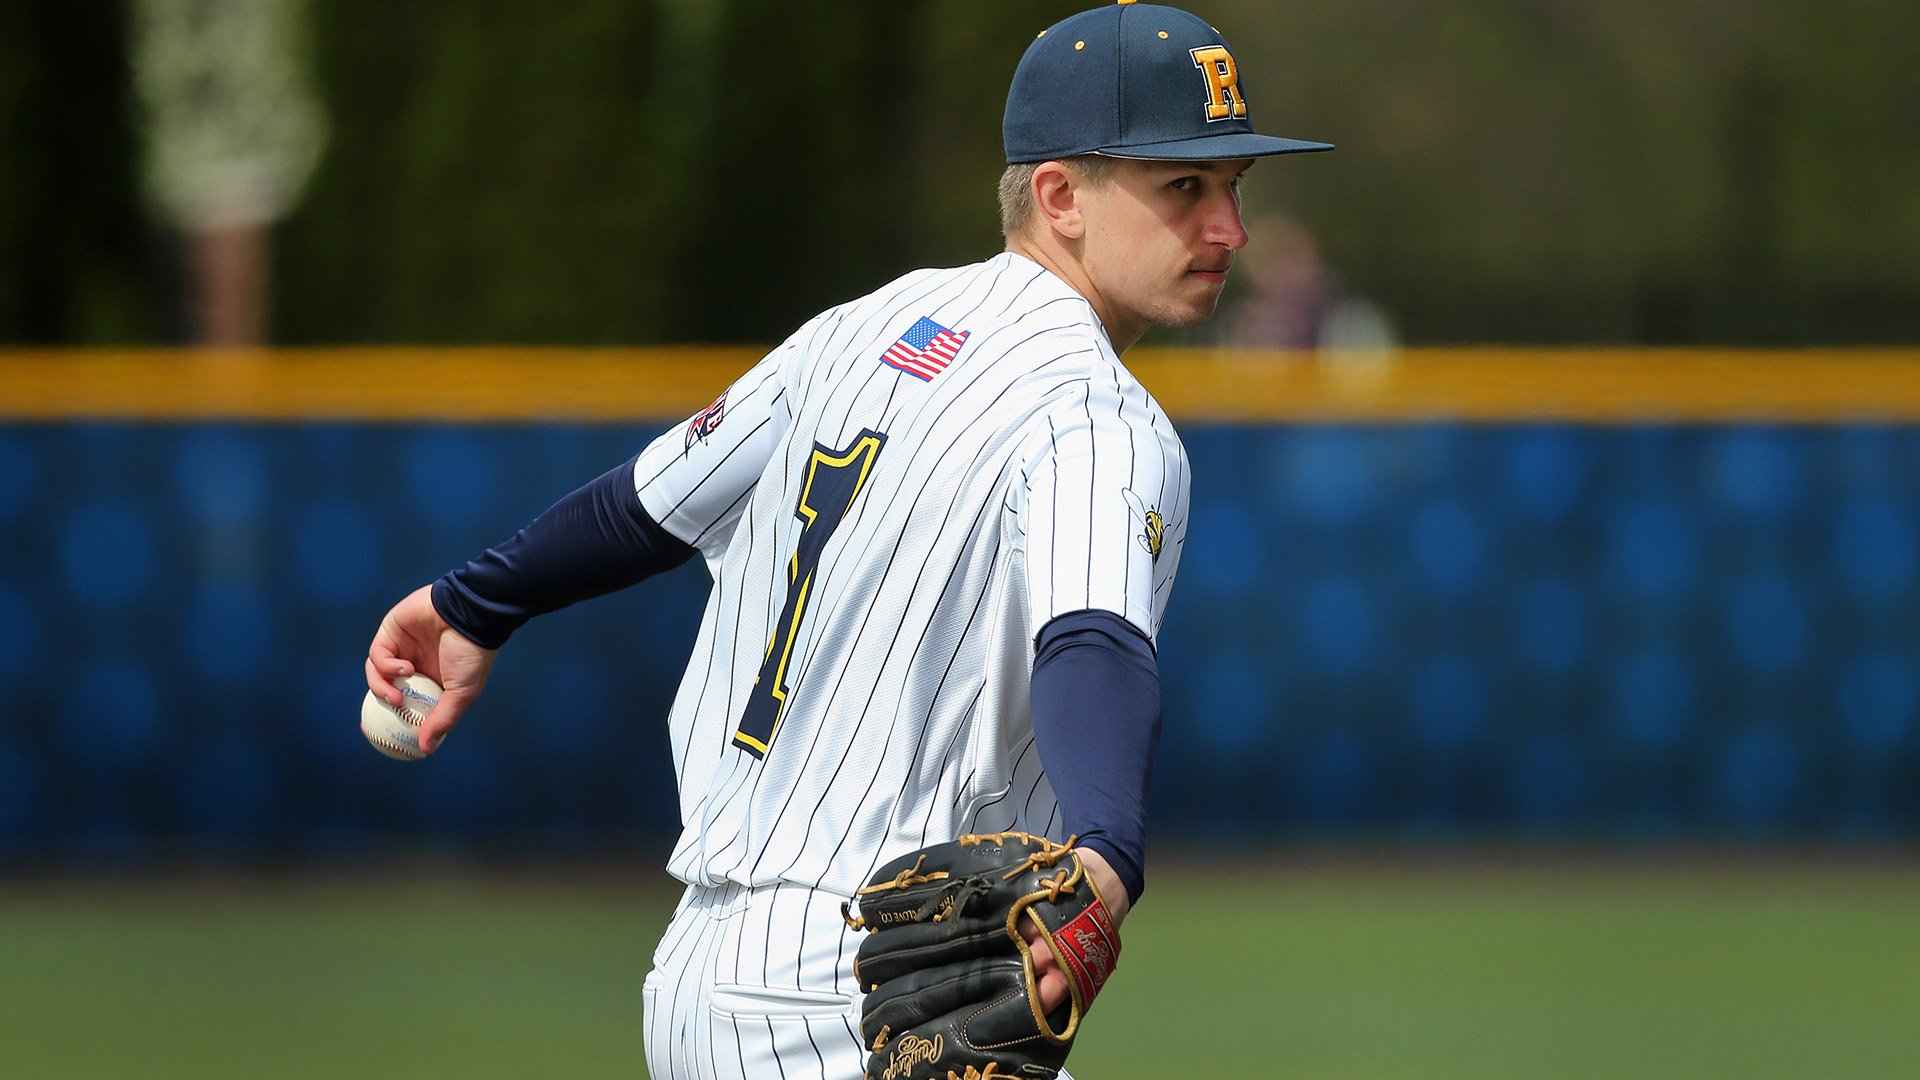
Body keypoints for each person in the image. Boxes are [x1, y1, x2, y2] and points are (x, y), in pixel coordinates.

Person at [363, 4, 1329, 1078]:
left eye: (1235, 185)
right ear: (1059, 196)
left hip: (694, 979)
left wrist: (472, 604)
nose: (1228, 228)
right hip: (869, 995)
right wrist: (1107, 852)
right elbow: (1090, 638)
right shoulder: (1097, 413)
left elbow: (643, 505)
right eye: (1183, 188)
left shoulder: (863, 328)